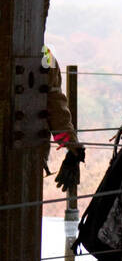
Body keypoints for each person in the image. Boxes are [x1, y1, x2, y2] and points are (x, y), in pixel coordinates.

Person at [42, 45, 85, 194]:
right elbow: (55, 110)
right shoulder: (44, 55)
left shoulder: (45, 56)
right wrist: (71, 146)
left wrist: (71, 146)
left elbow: (55, 110)